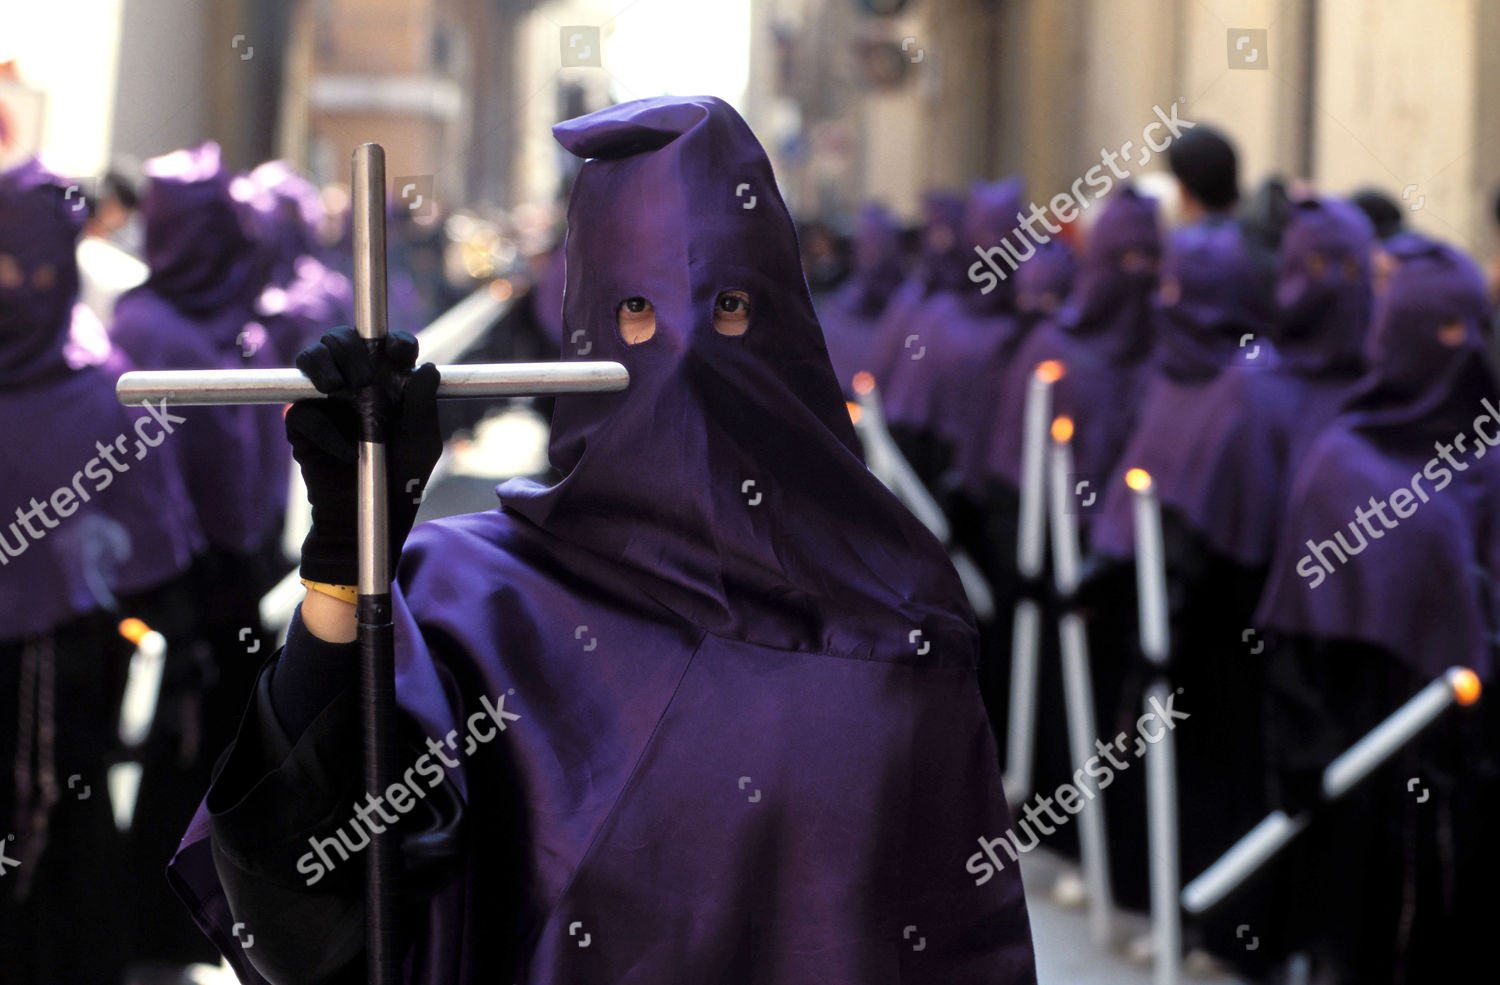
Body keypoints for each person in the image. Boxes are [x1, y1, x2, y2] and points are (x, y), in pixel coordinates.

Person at [168, 95, 1038, 985]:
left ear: (786, 318)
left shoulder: (899, 614)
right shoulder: (474, 602)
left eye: (733, 303)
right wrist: (345, 572)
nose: (691, 343)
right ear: (584, 317)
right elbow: (293, 916)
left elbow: (957, 939)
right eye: (637, 309)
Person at [1255, 232, 1500, 985]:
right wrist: (1305, 754)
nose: (1459, 345)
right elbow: (1299, 621)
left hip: (1469, 761)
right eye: (1443, 329)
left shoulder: (1490, 452)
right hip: (1364, 747)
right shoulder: (1342, 462)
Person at [0, 158, 203, 984]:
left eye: (24, 268)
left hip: (63, 673)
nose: (8, 286)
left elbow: (151, 535)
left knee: (56, 840)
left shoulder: (98, 392)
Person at [1087, 218, 1276, 956]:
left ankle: (1216, 929)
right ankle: (1157, 900)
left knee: (1214, 775)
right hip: (1155, 610)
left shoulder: (1251, 387)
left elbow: (1241, 512)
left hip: (1221, 622)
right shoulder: (1171, 372)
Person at [815, 202, 906, 396]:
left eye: (878, 247)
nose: (871, 257)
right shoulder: (839, 305)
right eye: (866, 247)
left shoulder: (908, 307)